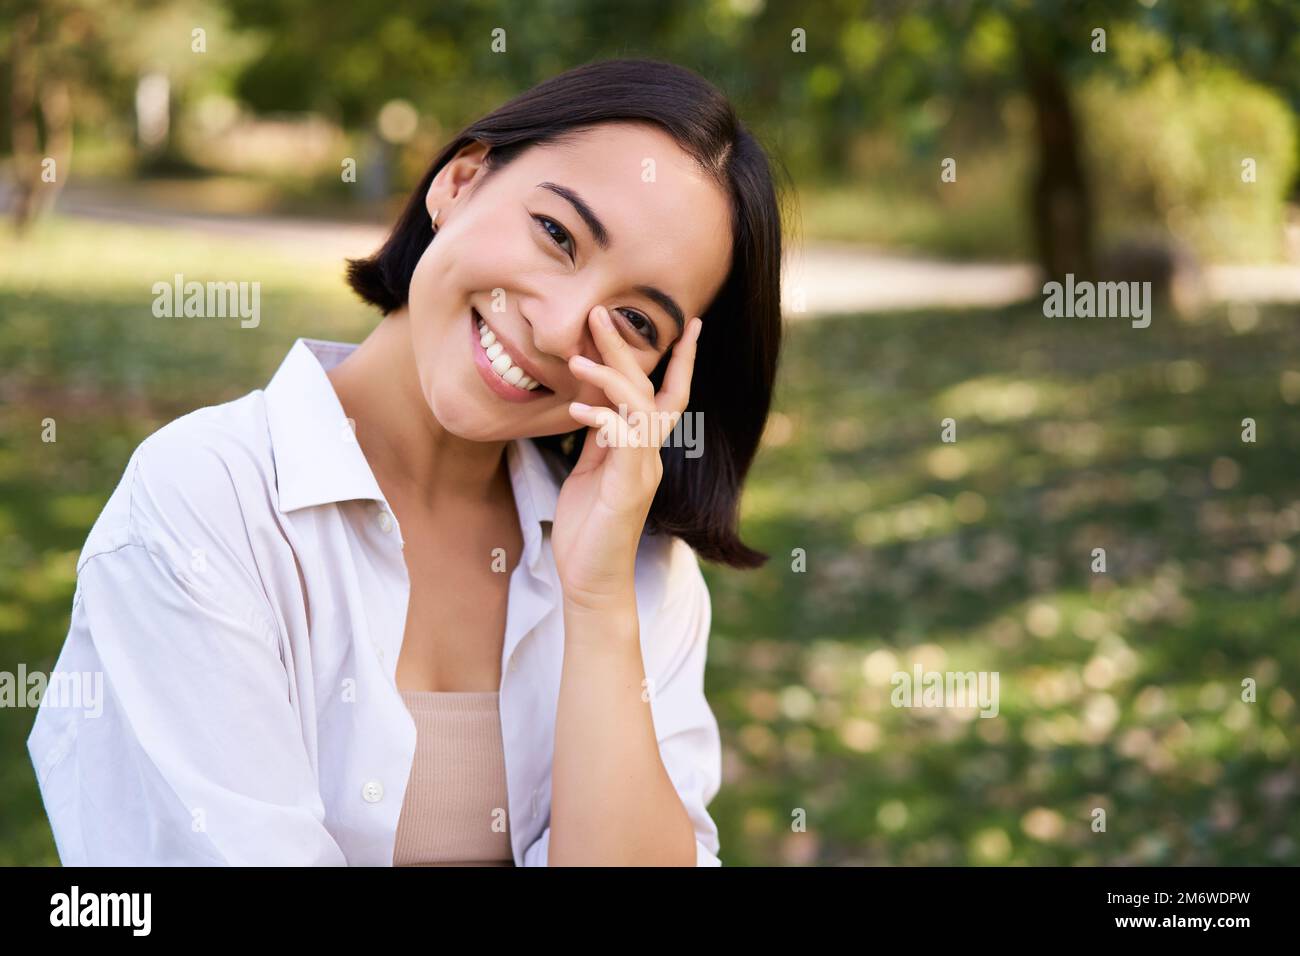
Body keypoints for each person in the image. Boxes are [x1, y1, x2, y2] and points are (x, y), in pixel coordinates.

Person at [27, 57, 787, 866]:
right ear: (460, 181)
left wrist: (598, 606)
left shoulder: (639, 575)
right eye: (557, 234)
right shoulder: (206, 504)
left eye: (634, 322)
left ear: (665, 377)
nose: (562, 327)